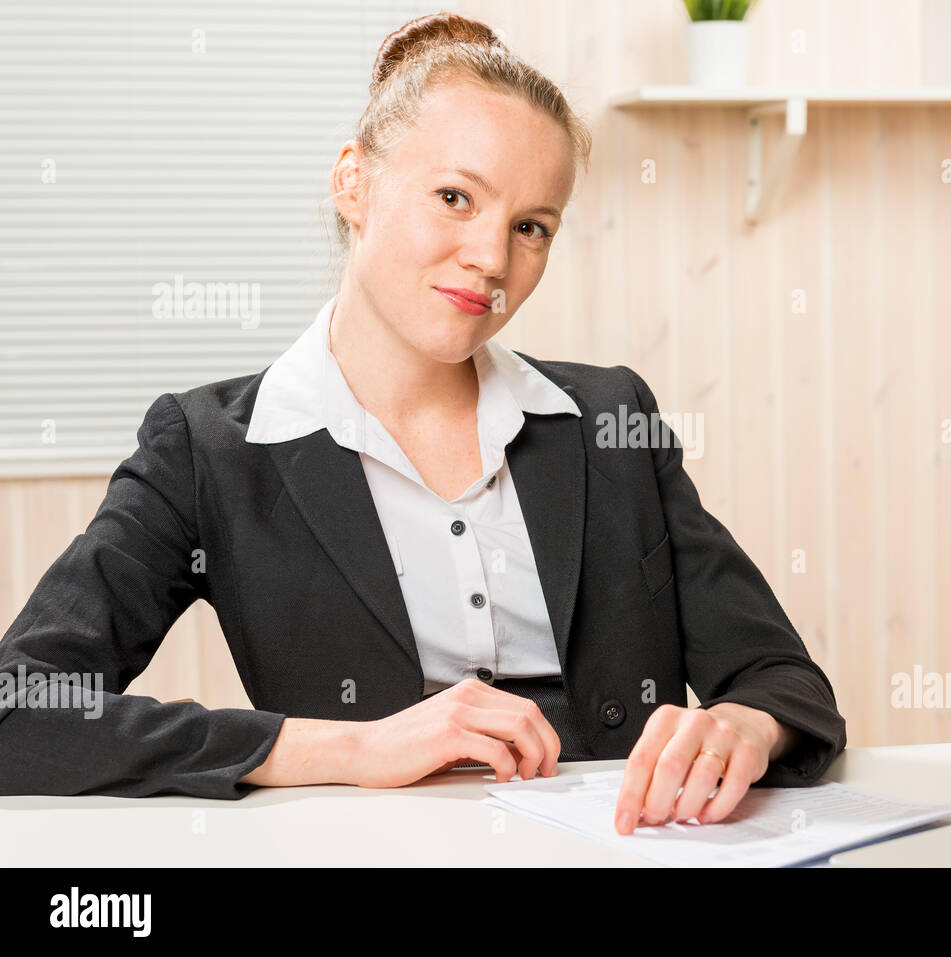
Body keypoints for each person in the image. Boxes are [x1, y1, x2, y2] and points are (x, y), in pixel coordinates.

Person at [0, 12, 845, 835]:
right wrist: (346, 747)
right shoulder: (210, 448)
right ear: (352, 181)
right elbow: (18, 705)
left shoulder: (608, 417)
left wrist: (743, 725)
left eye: (531, 227)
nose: (491, 257)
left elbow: (779, 678)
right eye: (454, 197)